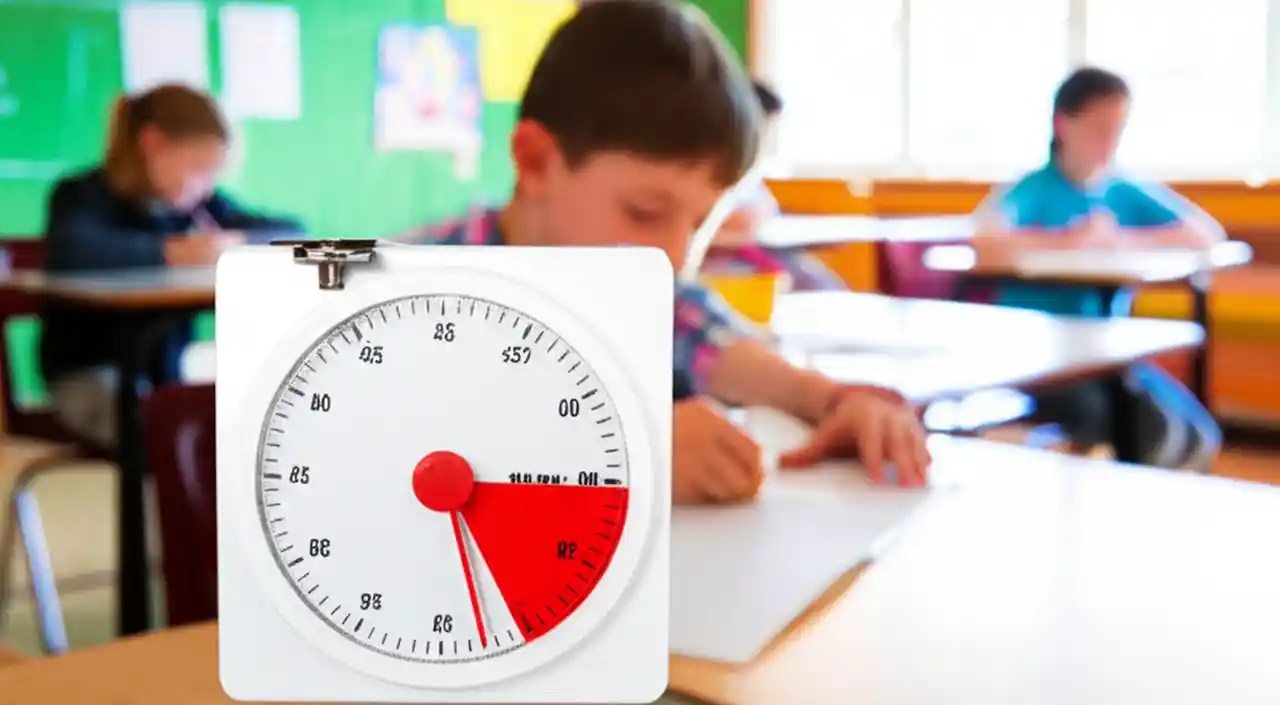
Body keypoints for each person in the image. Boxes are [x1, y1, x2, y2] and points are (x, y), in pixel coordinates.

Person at [401, 0, 930, 504]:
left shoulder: (636, 289)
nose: (676, 253)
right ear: (536, 161)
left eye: (701, 223)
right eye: (646, 210)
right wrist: (629, 448)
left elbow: (711, 342)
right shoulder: (410, 281)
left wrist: (834, 401)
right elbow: (384, 436)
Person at [973, 67, 1223, 470]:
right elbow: (984, 243)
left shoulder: (1120, 189)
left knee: (1196, 435)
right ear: (1063, 124)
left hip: (1112, 356)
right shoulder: (1034, 188)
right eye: (1098, 129)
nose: (1108, 142)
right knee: (1142, 433)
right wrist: (1067, 241)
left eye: (1116, 129)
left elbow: (1205, 234)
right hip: (1044, 357)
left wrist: (1122, 239)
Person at [42, 83, 303, 448]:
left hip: (164, 377)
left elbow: (292, 230)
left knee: (251, 424)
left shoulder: (197, 205)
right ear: (152, 144)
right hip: (88, 377)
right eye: (197, 168)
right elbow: (71, 252)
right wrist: (173, 252)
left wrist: (236, 241)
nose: (205, 185)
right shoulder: (80, 196)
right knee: (169, 439)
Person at [702, 79, 846, 291]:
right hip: (731, 263)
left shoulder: (751, 173)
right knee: (811, 285)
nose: (767, 136)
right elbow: (704, 236)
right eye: (765, 126)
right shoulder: (714, 172)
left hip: (768, 254)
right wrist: (742, 235)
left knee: (824, 284)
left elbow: (764, 219)